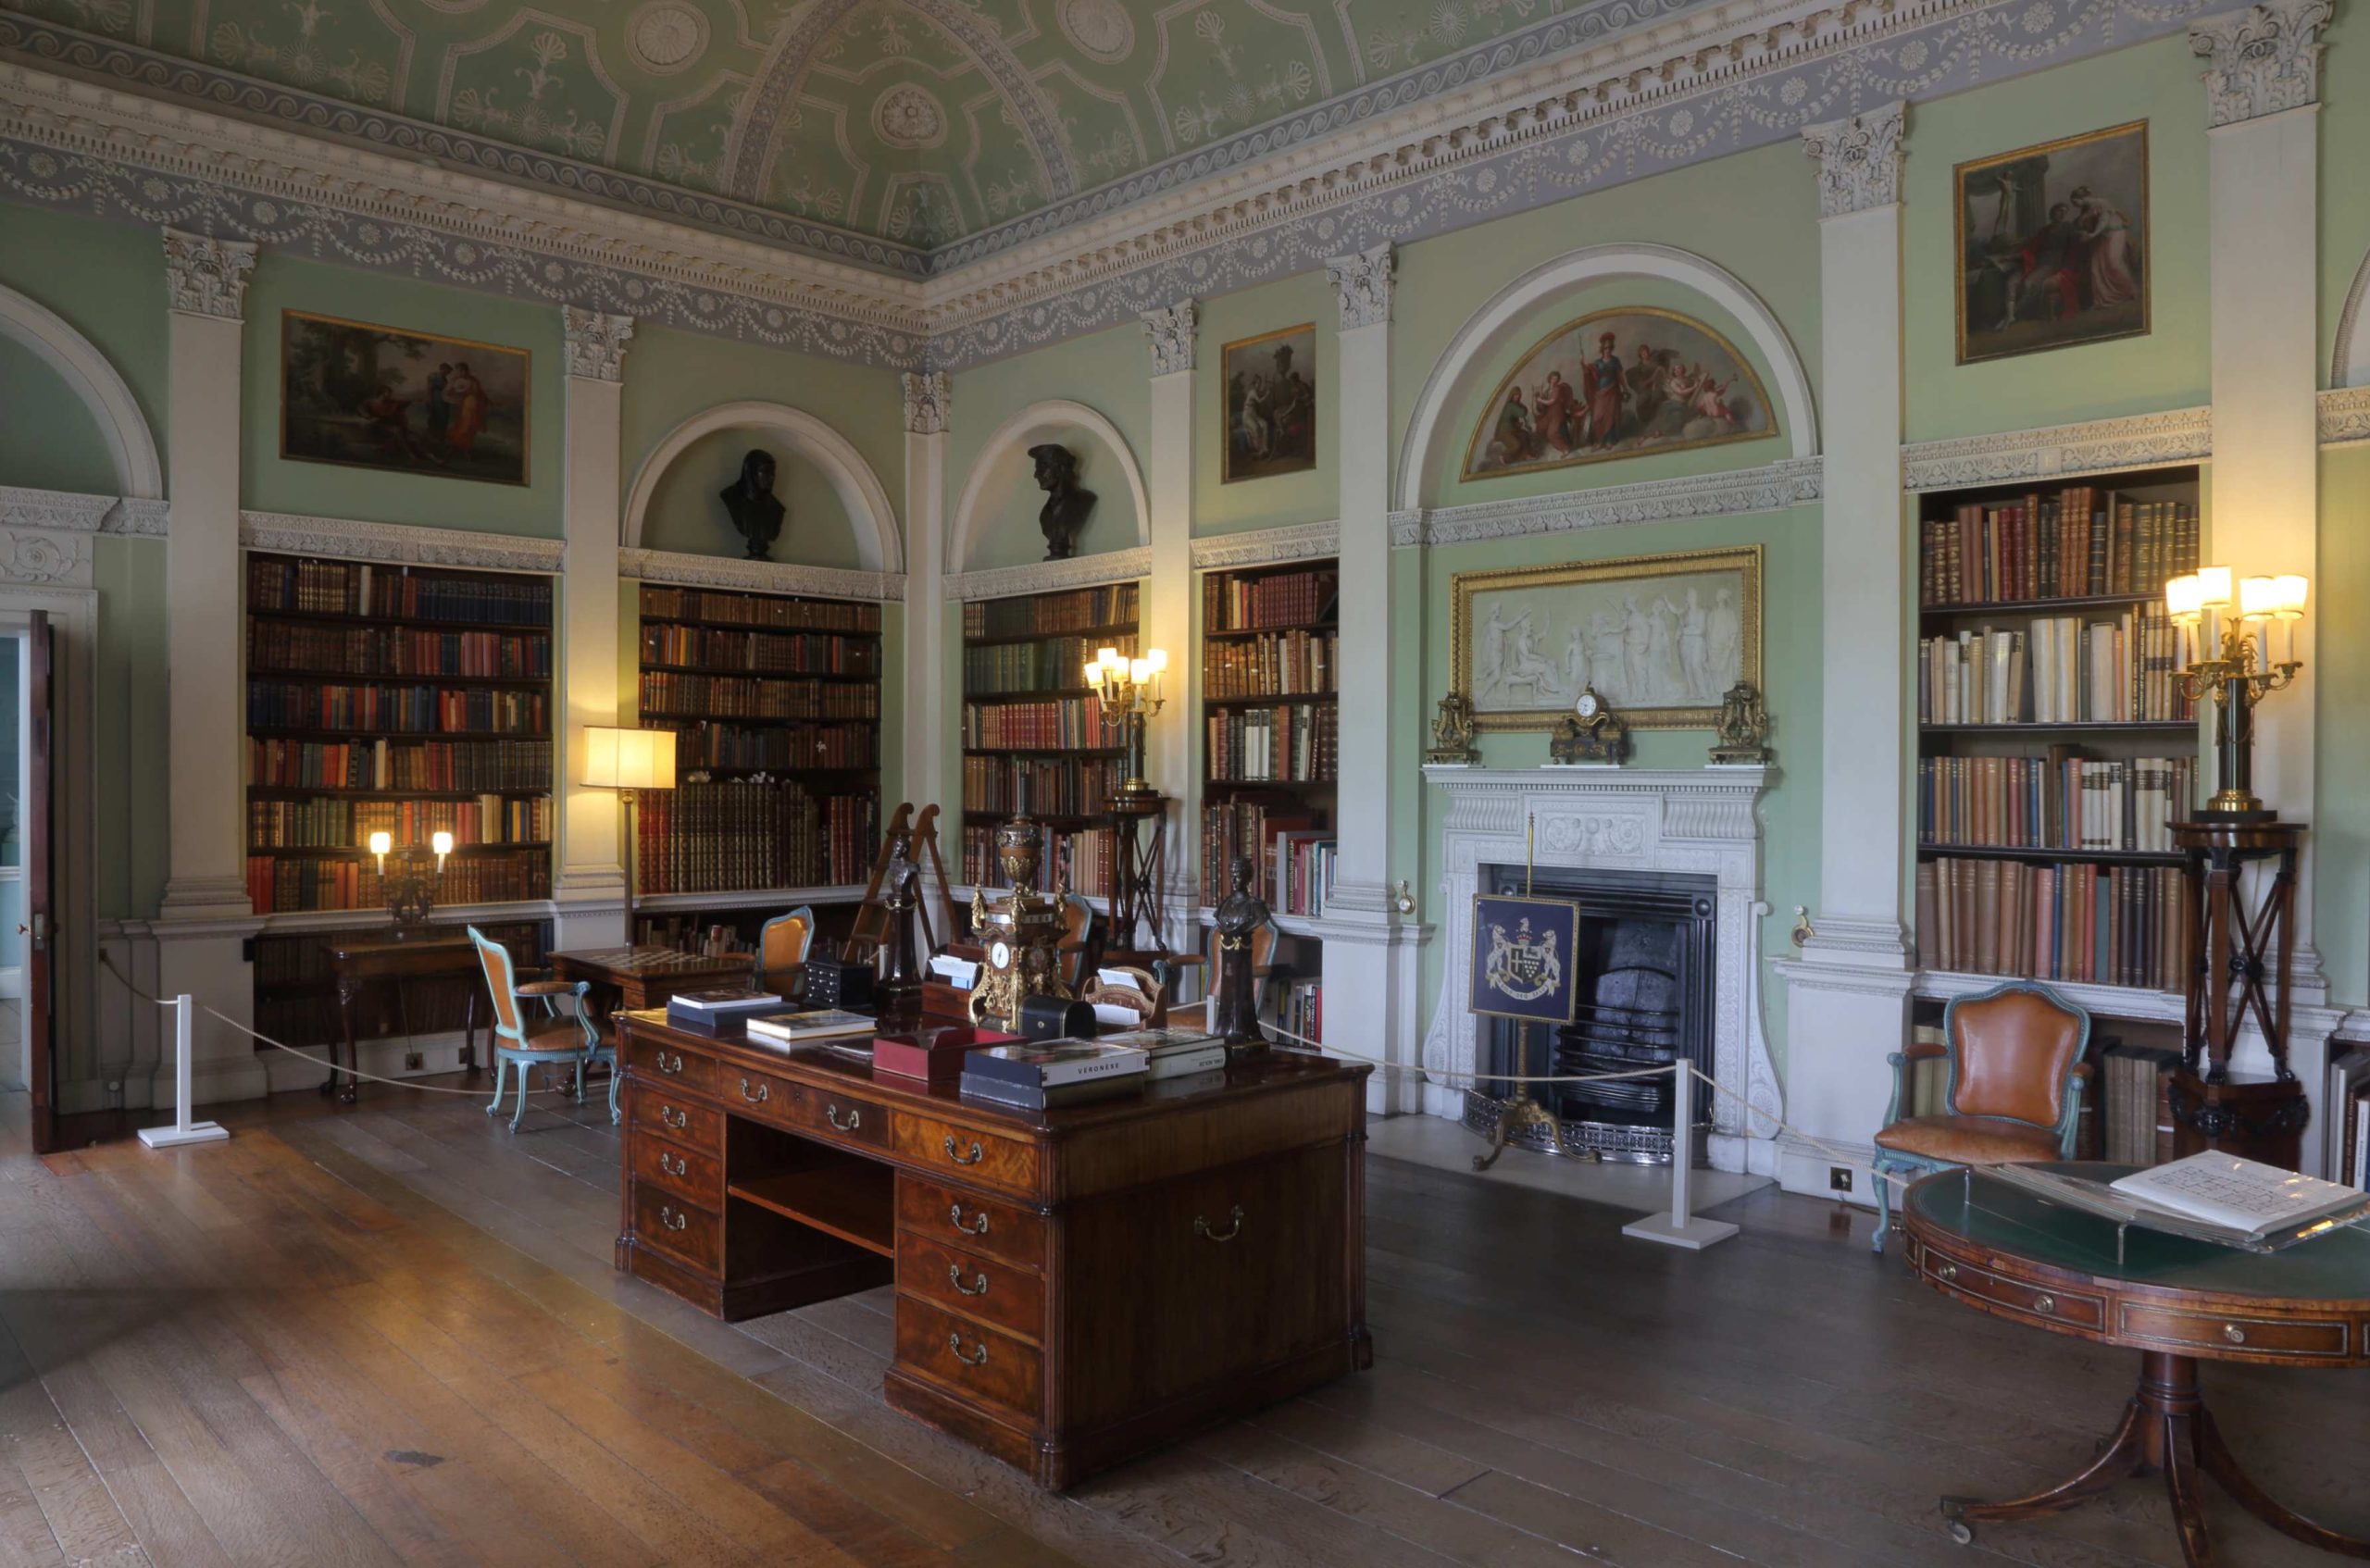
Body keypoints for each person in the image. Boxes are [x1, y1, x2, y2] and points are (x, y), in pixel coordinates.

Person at [2071, 184, 2139, 308]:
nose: (2074, 205)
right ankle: (2101, 299)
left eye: (2074, 201)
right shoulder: (2086, 210)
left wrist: (2092, 235)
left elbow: (2104, 221)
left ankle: (2130, 290)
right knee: (2097, 267)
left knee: (2114, 263)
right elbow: (2083, 225)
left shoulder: (2102, 203)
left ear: (2079, 198)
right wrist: (2084, 233)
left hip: (2114, 234)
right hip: (2100, 238)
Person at [1581, 331, 1628, 448]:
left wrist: (1625, 388)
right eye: (1605, 348)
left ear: (1611, 349)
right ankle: (1599, 441)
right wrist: (1581, 362)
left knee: (1610, 417)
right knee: (1597, 417)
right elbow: (1587, 372)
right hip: (1600, 393)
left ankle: (1609, 440)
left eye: (1609, 348)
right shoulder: (1597, 363)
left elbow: (1620, 376)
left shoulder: (1615, 360)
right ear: (1602, 349)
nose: (1607, 350)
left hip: (1613, 390)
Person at [443, 361, 487, 460]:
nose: (461, 372)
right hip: (465, 407)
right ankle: (452, 451)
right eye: (459, 370)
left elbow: (481, 393)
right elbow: (448, 392)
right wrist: (456, 392)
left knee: (471, 430)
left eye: (463, 370)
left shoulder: (474, 380)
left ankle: (467, 452)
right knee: (463, 428)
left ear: (466, 370)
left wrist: (489, 402)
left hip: (475, 407)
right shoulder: (457, 381)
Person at [1531, 370, 1582, 454]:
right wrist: (1538, 400)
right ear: (1549, 379)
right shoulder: (1547, 390)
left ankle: (1565, 448)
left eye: (1556, 379)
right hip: (1549, 413)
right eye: (1553, 378)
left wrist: (1541, 400)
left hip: (1557, 413)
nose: (1554, 380)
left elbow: (1552, 401)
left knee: (1551, 433)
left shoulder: (1557, 388)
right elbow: (1543, 406)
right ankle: (1538, 449)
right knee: (1540, 427)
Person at [1490, 387, 1535, 466]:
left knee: (1524, 434)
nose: (1517, 397)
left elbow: (1513, 419)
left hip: (1512, 430)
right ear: (1512, 396)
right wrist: (1523, 406)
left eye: (1518, 395)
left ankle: (1526, 455)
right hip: (1505, 432)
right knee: (1516, 444)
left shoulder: (1514, 405)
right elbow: (1522, 413)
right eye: (1515, 395)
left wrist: (1517, 425)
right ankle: (1503, 456)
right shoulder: (1510, 405)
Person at [424, 362, 452, 451]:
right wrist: (429, 400)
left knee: (443, 419)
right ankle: (431, 442)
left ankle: (440, 440)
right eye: (448, 370)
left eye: (449, 371)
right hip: (436, 400)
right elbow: (429, 388)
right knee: (435, 419)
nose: (449, 373)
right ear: (443, 369)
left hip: (443, 401)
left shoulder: (444, 378)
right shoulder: (434, 376)